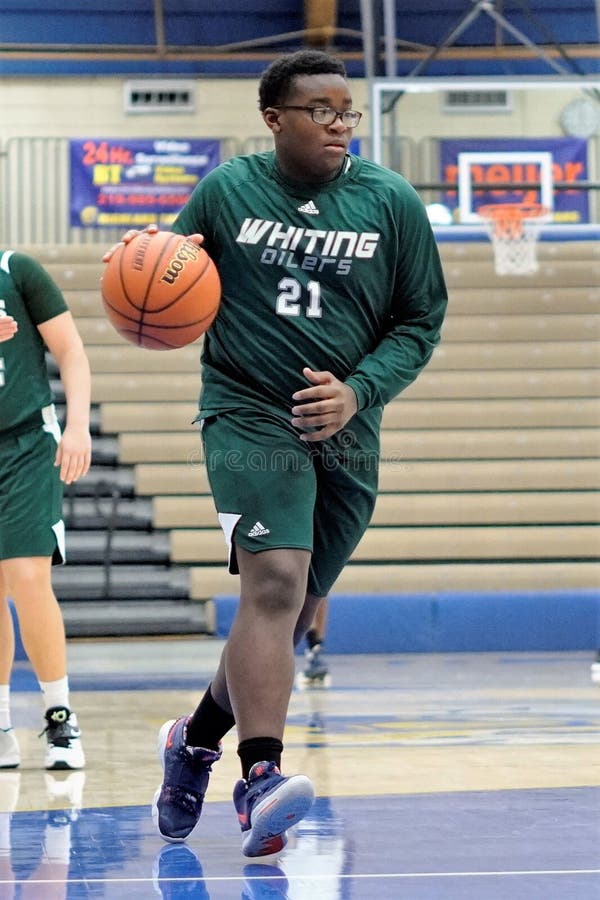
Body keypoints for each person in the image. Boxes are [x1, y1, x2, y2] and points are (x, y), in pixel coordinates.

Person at [106, 48, 447, 855]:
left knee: (284, 613)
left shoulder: (391, 203)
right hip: (249, 413)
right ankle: (259, 777)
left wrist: (358, 391)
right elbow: (166, 268)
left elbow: (419, 321)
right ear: (274, 119)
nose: (340, 125)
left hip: (348, 428)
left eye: (347, 111)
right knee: (277, 582)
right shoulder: (229, 191)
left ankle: (192, 741)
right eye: (321, 111)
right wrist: (142, 257)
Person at [0, 250, 91, 771]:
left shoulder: (18, 271)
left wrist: (77, 427)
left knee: (28, 576)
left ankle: (60, 718)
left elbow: (71, 351)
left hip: (26, 443)